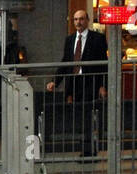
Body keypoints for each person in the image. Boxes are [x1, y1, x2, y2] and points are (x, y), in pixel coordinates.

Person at [46, 10, 108, 155]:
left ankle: (89, 149)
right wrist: (55, 81)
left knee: (89, 116)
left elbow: (103, 64)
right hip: (74, 83)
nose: (78, 22)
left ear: (87, 21)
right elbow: (66, 61)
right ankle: (85, 146)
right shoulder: (70, 39)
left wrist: (102, 85)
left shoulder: (97, 38)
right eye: (75, 20)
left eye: (81, 19)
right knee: (79, 116)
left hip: (91, 82)